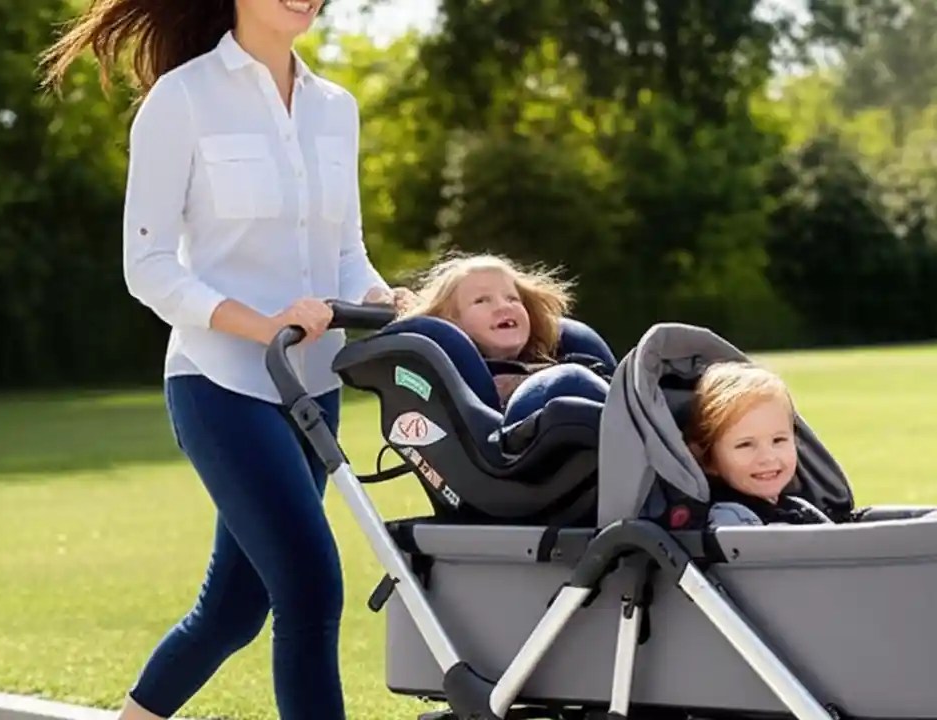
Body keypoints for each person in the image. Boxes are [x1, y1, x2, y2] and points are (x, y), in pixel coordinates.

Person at [39, 2, 413, 718]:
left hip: (311, 389)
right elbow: (147, 266)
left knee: (233, 610)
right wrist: (260, 324)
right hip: (220, 385)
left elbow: (345, 250)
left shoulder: (337, 108)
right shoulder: (181, 100)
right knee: (309, 586)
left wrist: (380, 295)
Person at [387, 252, 614, 425]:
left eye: (513, 299)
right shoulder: (463, 382)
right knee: (570, 380)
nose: (504, 306)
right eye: (482, 301)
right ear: (451, 323)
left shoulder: (562, 355)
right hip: (526, 455)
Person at [684, 361, 832, 526]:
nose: (768, 458)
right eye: (745, 445)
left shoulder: (797, 509)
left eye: (778, 440)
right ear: (707, 459)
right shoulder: (731, 520)